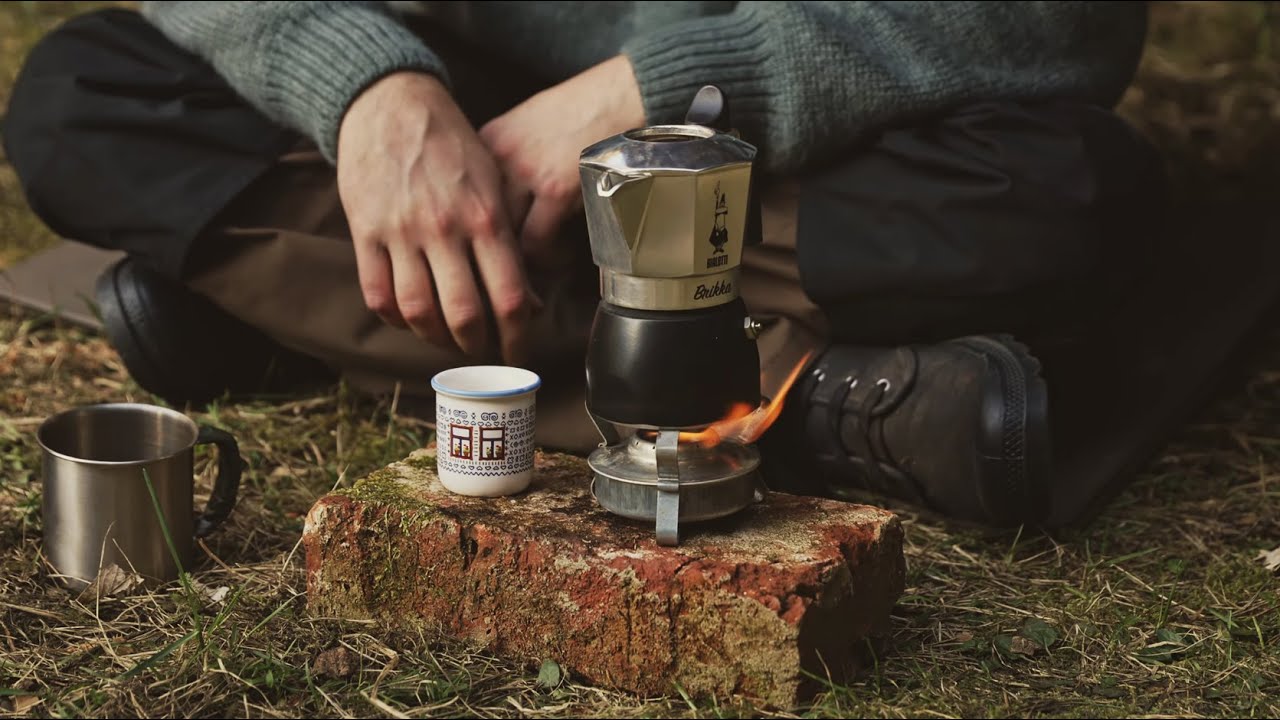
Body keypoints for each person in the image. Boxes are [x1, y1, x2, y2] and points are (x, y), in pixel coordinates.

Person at [3, 1, 1164, 530]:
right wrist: (365, 89)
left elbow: (1058, 26)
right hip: (454, 97)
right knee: (81, 96)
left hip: (779, 134)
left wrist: (648, 96)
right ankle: (790, 406)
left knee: (1068, 197)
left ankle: (300, 307)